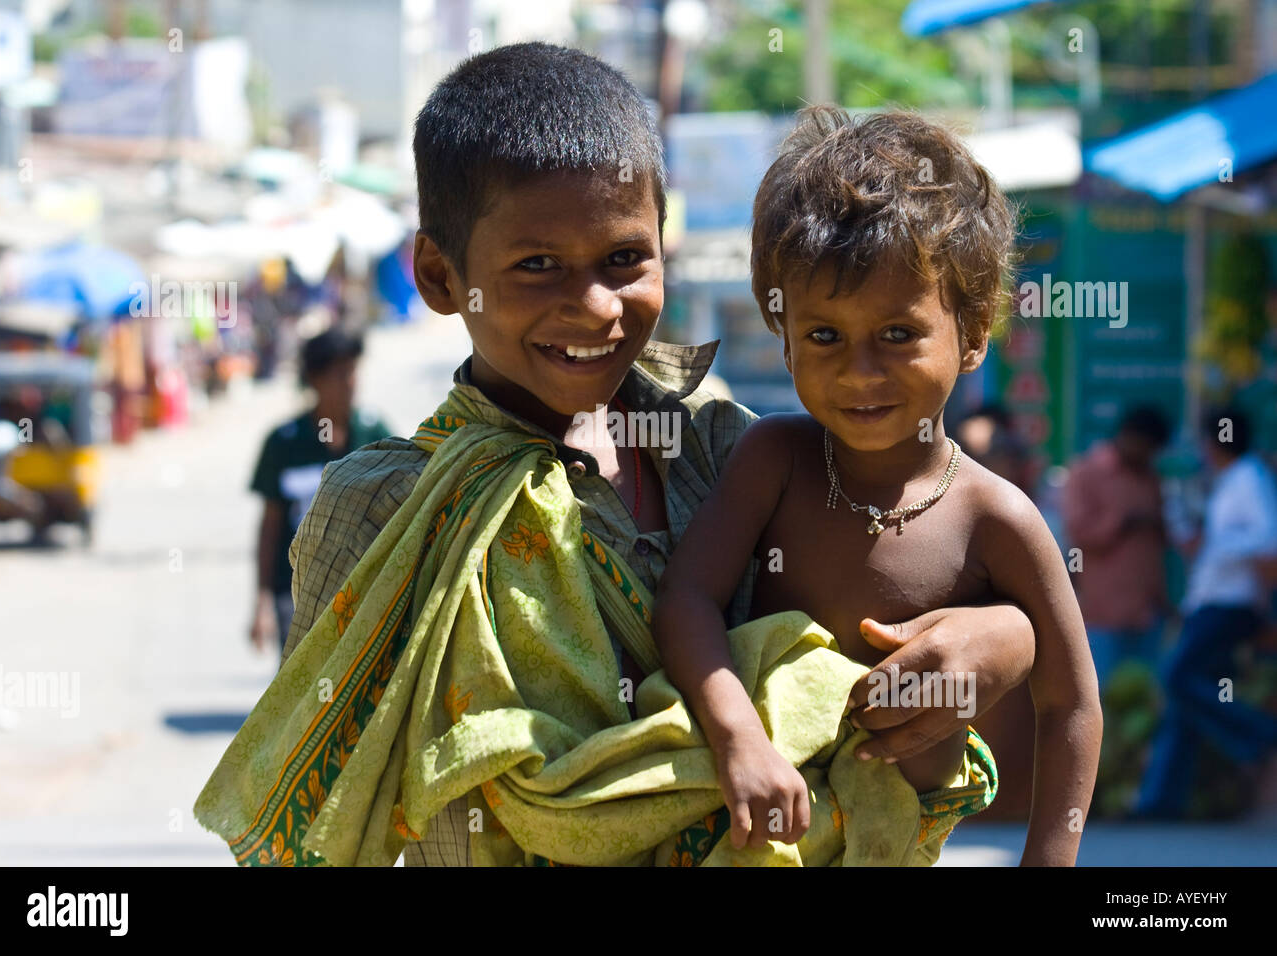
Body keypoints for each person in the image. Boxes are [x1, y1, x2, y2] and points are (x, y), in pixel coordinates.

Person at [196, 44, 1038, 868]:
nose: (594, 306)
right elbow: (325, 804)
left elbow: (870, 618)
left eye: (624, 259)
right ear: (441, 277)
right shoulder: (384, 506)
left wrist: (1005, 635)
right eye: (536, 266)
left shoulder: (727, 451)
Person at [652, 107, 1102, 866]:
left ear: (971, 334)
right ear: (783, 333)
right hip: (756, 832)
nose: (860, 371)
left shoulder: (997, 518)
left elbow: (1072, 705)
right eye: (825, 335)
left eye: (898, 334)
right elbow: (686, 600)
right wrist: (739, 739)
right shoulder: (776, 462)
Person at [1134, 407, 1277, 818]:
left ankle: (1259, 735)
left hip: (1229, 604)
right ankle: (1160, 804)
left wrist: (1225, 552)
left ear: (1216, 443)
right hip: (1212, 602)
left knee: (1177, 677)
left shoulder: (1249, 478)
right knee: (1184, 701)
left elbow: (1266, 539)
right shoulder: (1232, 481)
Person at [248, 327, 392, 661]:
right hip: (297, 595)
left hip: (362, 591)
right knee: (299, 688)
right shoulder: (283, 443)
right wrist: (263, 601)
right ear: (314, 379)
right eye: (340, 374)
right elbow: (270, 527)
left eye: (354, 371)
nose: (350, 383)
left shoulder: (375, 434)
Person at [1062, 406, 1172, 690]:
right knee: (1101, 698)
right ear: (1128, 436)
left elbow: (1158, 544)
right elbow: (1078, 531)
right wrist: (1122, 523)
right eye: (1145, 446)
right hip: (1103, 613)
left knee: (1145, 701)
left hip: (1147, 612)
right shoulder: (1088, 472)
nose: (1148, 455)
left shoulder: (1150, 478)